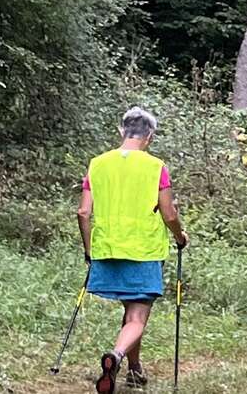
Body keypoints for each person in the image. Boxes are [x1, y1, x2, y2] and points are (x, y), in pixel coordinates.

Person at [76, 107, 188, 394]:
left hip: (107, 249)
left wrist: (89, 251)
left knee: (130, 313)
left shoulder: (97, 164)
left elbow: (83, 212)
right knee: (137, 317)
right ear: (150, 136)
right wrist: (180, 237)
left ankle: (135, 370)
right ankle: (116, 356)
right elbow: (169, 213)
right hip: (144, 251)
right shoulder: (155, 167)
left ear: (120, 131)